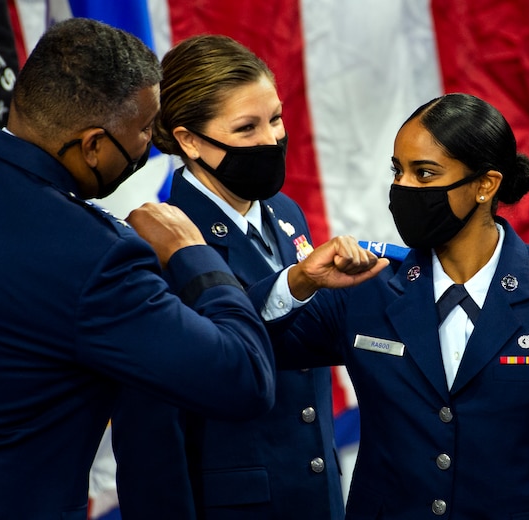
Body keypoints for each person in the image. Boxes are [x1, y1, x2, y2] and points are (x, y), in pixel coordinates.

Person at [0, 18, 282, 519]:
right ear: (94, 145)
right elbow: (244, 377)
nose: (149, 144)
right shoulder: (98, 259)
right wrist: (194, 254)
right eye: (144, 129)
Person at [250, 93, 529, 519]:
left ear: (486, 185)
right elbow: (243, 348)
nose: (404, 187)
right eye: (398, 171)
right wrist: (298, 280)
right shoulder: (364, 286)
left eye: (425, 174)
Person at [110, 34, 370, 519]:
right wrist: (293, 285)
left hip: (314, 493)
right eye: (246, 128)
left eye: (274, 118)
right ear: (189, 140)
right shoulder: (158, 239)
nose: (271, 140)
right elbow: (155, 418)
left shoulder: (284, 211)